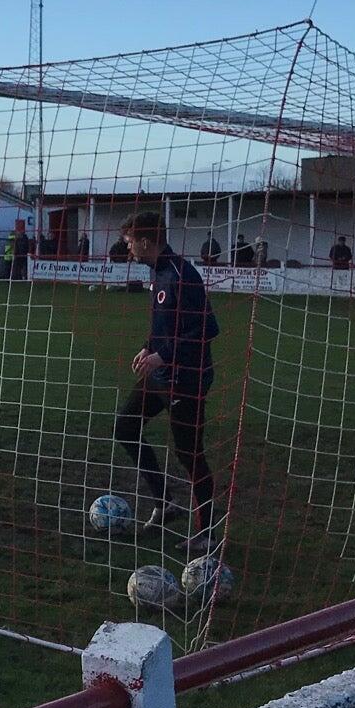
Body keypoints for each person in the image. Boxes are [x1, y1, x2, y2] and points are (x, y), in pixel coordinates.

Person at [112, 210, 221, 554]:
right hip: (160, 373)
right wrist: (148, 348)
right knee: (126, 427)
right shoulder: (158, 272)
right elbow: (166, 325)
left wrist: (164, 354)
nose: (128, 250)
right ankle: (165, 502)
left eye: (130, 243)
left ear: (145, 241)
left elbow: (208, 329)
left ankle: (208, 534)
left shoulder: (181, 274)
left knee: (190, 455)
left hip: (186, 379)